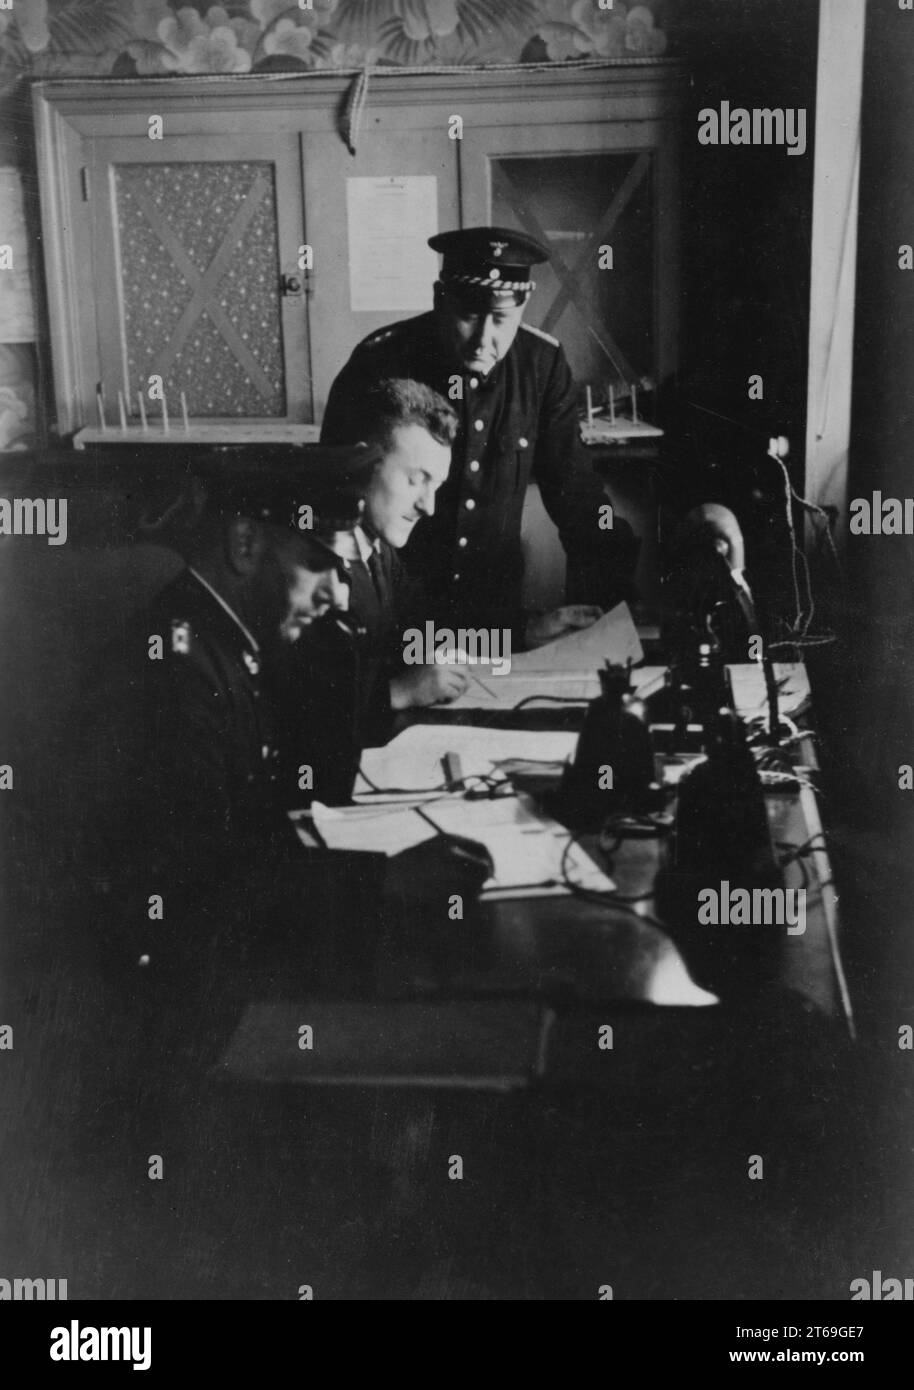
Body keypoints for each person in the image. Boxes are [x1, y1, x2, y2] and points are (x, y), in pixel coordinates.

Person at [321, 226, 637, 645]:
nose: (484, 340)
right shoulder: (381, 360)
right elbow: (331, 493)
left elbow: (576, 496)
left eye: (502, 320)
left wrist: (610, 612)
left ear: (524, 305)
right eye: (468, 316)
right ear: (440, 299)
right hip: (395, 613)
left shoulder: (542, 366)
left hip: (497, 616)